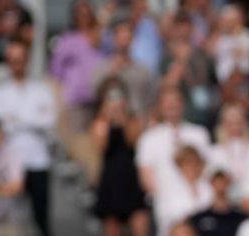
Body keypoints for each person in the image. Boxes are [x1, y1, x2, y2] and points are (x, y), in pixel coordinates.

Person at [0, 40, 56, 236]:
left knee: (41, 217)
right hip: (9, 161)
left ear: (27, 60)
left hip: (38, 160)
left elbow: (49, 120)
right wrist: (33, 118)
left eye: (20, 59)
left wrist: (14, 119)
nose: (17, 64)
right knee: (11, 216)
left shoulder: (41, 90)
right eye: (12, 60)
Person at [91, 84, 150, 236]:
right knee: (112, 227)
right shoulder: (100, 122)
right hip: (111, 180)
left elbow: (133, 140)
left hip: (131, 178)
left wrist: (123, 117)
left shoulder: (133, 119)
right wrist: (107, 116)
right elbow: (101, 145)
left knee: (140, 222)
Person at [136, 86, 211, 200]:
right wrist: (164, 200)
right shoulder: (148, 139)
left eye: (175, 101)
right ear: (160, 107)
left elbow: (207, 168)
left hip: (199, 200)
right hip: (166, 203)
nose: (172, 105)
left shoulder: (199, 133)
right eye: (167, 102)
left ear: (182, 104)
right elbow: (146, 176)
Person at [51, 0, 106, 131]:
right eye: (80, 14)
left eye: (86, 13)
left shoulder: (101, 38)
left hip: (99, 100)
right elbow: (55, 70)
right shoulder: (68, 40)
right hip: (77, 102)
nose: (84, 17)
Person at [92, 14, 156, 117]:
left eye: (128, 31)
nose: (125, 35)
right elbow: (96, 96)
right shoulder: (102, 70)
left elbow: (151, 102)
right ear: (113, 37)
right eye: (120, 31)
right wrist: (113, 73)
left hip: (138, 122)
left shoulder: (143, 71)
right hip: (113, 123)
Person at [161, 12, 218, 128]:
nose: (183, 30)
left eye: (186, 25)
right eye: (179, 26)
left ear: (192, 28)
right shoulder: (168, 57)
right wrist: (179, 63)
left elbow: (212, 83)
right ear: (174, 29)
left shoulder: (202, 55)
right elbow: (165, 86)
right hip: (180, 115)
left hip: (203, 113)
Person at [155, 145, 213, 236]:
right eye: (187, 162)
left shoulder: (207, 186)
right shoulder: (169, 189)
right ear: (179, 165)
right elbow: (165, 219)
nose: (191, 166)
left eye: (195, 162)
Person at [211, 104, 249, 210]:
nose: (235, 127)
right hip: (225, 206)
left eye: (238, 123)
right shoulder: (214, 152)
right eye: (230, 124)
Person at [189, 168, 248, 236]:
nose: (220, 186)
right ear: (211, 184)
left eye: (223, 182)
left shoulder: (240, 216)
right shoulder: (200, 218)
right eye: (217, 182)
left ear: (229, 183)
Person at [215, 5, 249, 84]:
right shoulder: (220, 38)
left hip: (245, 79)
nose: (227, 23)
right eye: (224, 20)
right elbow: (211, 52)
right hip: (225, 82)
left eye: (230, 20)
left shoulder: (247, 35)